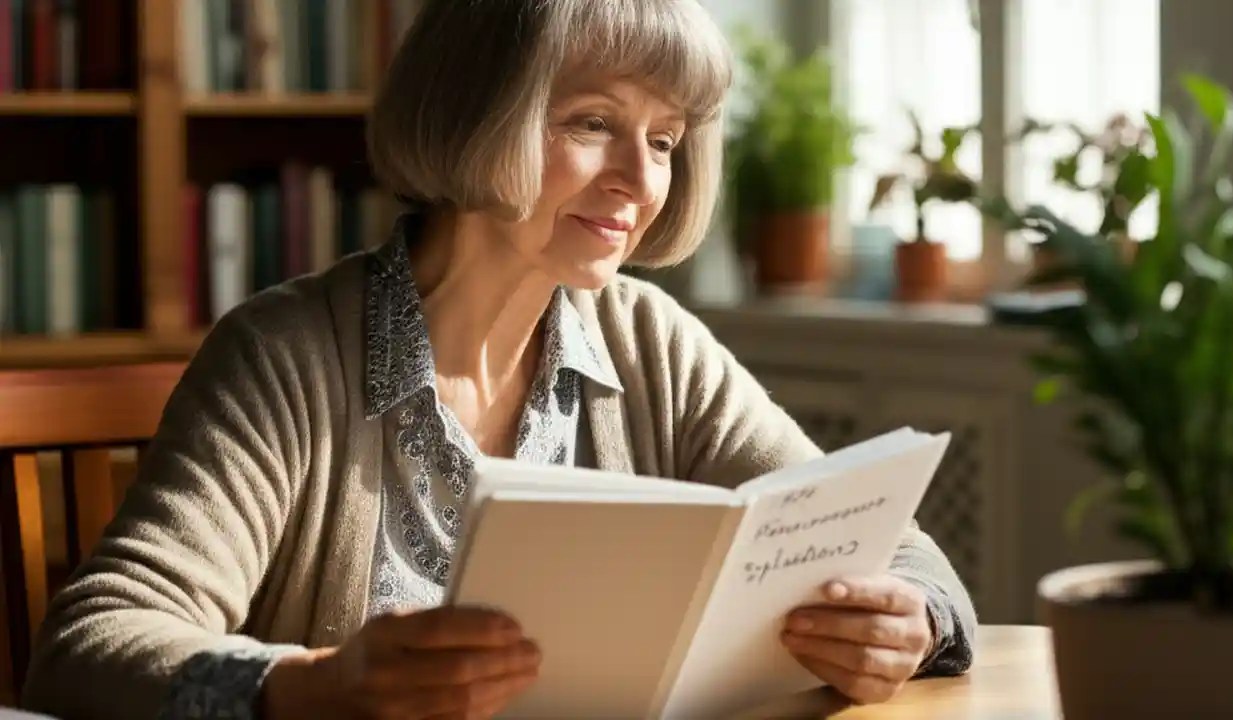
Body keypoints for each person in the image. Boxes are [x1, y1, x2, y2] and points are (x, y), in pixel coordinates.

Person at [22, 1, 976, 718]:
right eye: (592, 123)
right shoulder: (284, 356)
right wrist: (311, 687)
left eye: (666, 140)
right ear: (479, 111)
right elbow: (88, 645)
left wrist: (911, 619)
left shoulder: (654, 341)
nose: (641, 182)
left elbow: (904, 552)